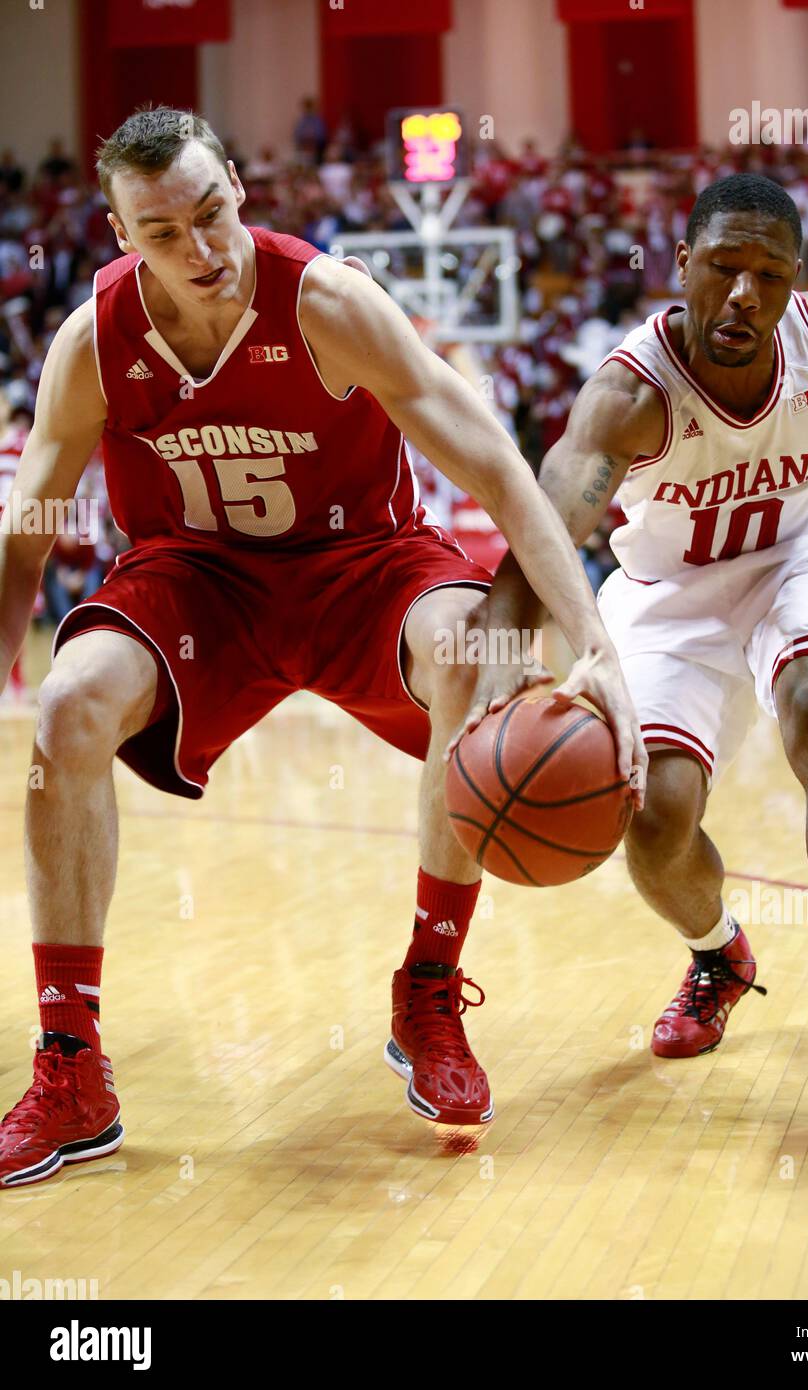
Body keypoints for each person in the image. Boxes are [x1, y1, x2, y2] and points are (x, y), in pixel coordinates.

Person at [0, 108, 646, 1188]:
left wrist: (598, 649)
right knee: (67, 709)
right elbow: (27, 529)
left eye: (213, 215)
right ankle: (71, 1064)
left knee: (470, 652)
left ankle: (428, 989)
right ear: (120, 236)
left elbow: (499, 468)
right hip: (200, 581)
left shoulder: (330, 304)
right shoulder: (93, 343)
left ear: (242, 189)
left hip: (364, 570)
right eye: (164, 233)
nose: (201, 250)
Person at [478, 173, 808, 1112]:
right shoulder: (630, 397)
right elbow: (540, 537)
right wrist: (497, 668)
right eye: (721, 267)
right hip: (672, 601)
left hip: (801, 558)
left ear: (794, 282)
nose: (743, 293)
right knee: (656, 826)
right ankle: (719, 957)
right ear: (682, 266)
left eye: (767, 274)